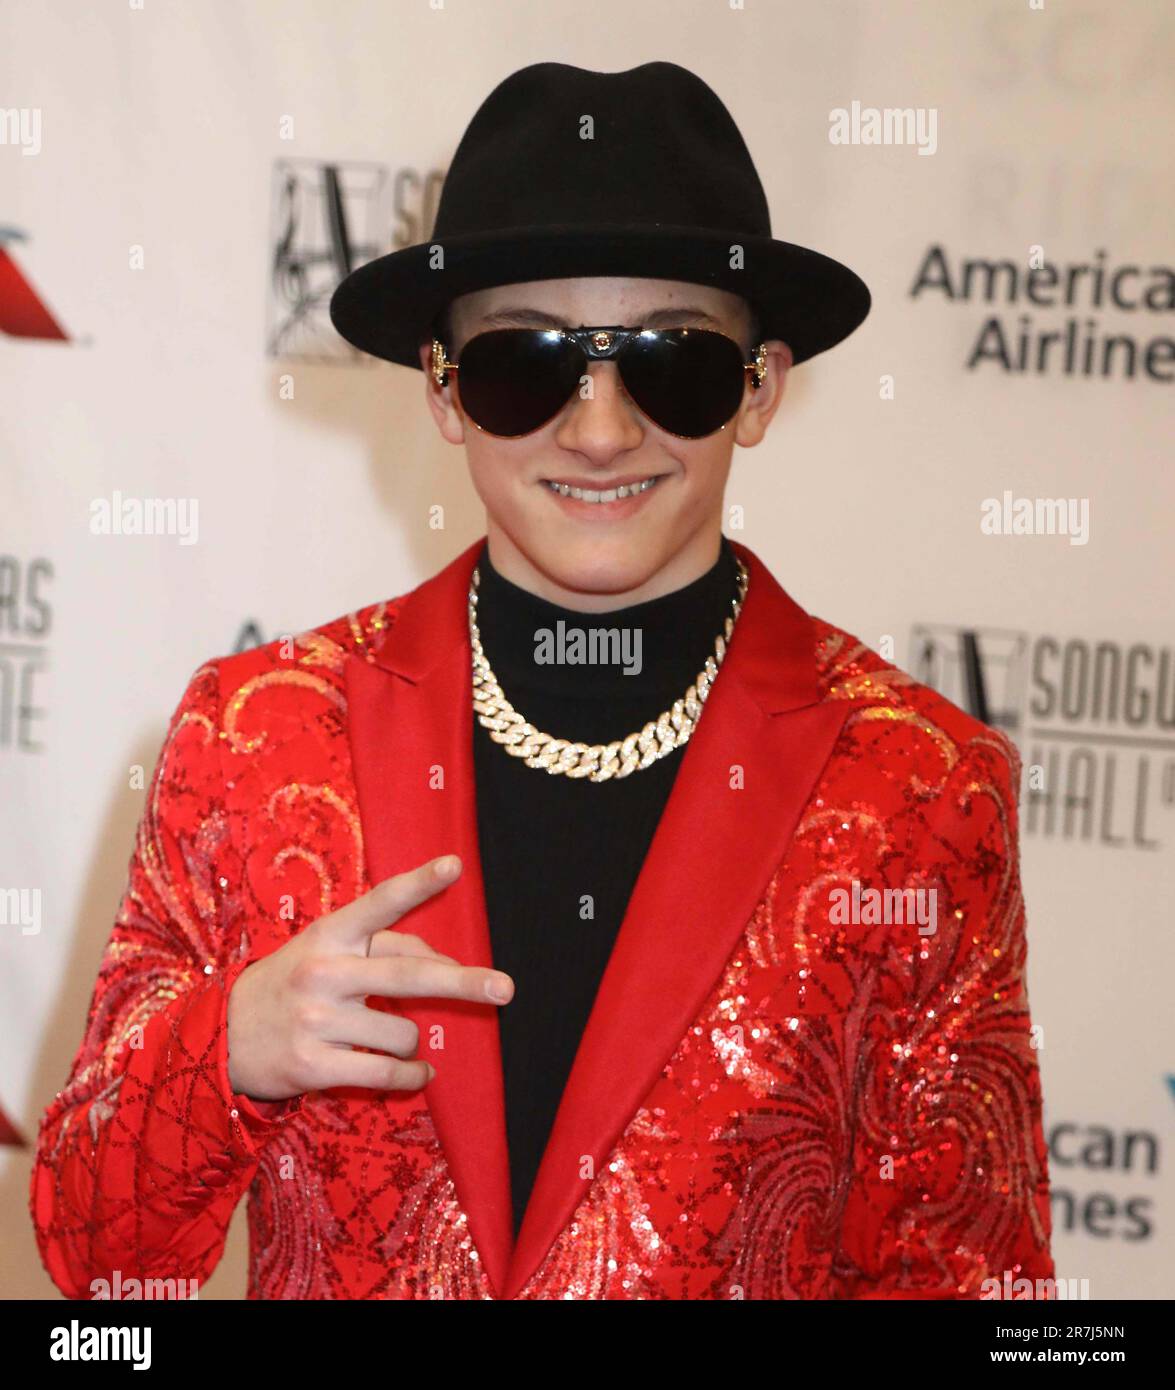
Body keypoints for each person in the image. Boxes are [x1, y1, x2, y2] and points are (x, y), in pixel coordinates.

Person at [30, 60, 1053, 1300]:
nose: (600, 426)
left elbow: (970, 1283)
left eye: (671, 360)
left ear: (761, 387)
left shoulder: (919, 787)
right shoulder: (257, 735)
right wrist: (225, 1054)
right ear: (446, 392)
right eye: (528, 363)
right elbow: (90, 1250)